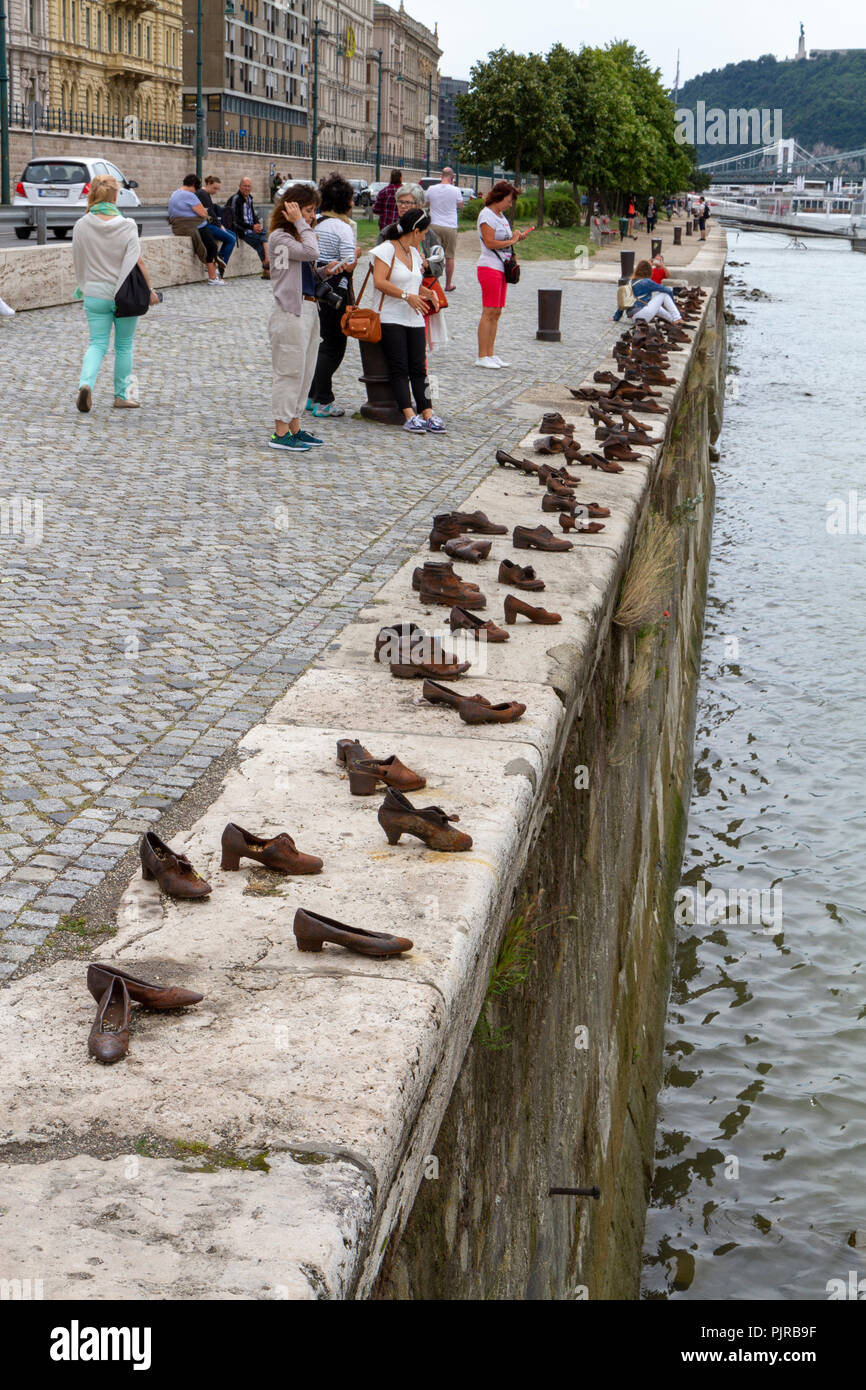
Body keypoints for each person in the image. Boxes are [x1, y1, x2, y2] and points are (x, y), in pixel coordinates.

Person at [71, 174, 158, 412]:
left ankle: (85, 384)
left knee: (96, 343)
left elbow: (78, 260)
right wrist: (150, 291)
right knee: (124, 346)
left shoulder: (82, 224)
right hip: (124, 295)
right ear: (115, 196)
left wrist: (84, 285)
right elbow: (138, 262)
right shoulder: (127, 225)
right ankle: (123, 396)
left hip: (94, 293)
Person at [266, 182, 331, 452]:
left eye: (313, 210)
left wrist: (329, 271)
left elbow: (305, 267)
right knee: (289, 371)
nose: (311, 216)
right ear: (290, 208)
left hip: (308, 308)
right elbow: (311, 252)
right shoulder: (281, 237)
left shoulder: (295, 239)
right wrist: (301, 224)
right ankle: (280, 433)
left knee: (305, 372)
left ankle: (295, 425)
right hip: (290, 311)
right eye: (307, 210)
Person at [369, 207, 444, 433]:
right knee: (399, 366)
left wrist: (426, 292)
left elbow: (410, 282)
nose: (425, 236)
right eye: (423, 232)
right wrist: (405, 296)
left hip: (414, 316)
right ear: (414, 230)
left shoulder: (414, 252)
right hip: (391, 316)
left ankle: (427, 411)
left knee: (419, 367)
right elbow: (379, 281)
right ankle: (408, 414)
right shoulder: (386, 249)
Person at [307, 172, 361, 419]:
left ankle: (310, 394)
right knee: (333, 347)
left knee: (321, 344)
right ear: (346, 202)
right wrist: (357, 254)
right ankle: (323, 400)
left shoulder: (316, 222)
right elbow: (348, 264)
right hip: (336, 291)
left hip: (316, 289)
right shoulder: (343, 227)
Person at [475, 180, 528, 370]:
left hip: (501, 267)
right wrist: (512, 239)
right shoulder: (486, 216)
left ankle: (490, 353)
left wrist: (515, 237)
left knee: (497, 312)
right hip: (489, 267)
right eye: (508, 200)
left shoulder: (501, 216)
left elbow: (505, 240)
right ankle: (482, 355)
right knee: (488, 311)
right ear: (498, 198)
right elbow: (489, 242)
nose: (510, 204)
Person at [168, 173, 223, 284]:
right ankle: (213, 277)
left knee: (210, 242)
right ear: (193, 185)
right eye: (196, 188)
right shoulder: (189, 195)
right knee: (211, 246)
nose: (196, 191)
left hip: (178, 226)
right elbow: (203, 213)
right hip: (193, 226)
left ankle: (214, 274)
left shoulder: (175, 193)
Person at [223, 177, 270, 278]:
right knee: (260, 241)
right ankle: (267, 264)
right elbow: (234, 220)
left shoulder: (249, 199)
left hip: (251, 229)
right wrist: (251, 227)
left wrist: (257, 225)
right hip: (242, 231)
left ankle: (267, 268)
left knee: (262, 235)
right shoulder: (236, 199)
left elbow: (253, 215)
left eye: (249, 186)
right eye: (244, 186)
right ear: (239, 187)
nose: (247, 188)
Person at [424, 166, 462, 291]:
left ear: (441, 176)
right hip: (450, 226)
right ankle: (448, 284)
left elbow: (427, 203)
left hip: (434, 225)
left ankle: (435, 282)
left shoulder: (431, 189)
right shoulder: (456, 190)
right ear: (452, 178)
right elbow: (460, 205)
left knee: (434, 254)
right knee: (449, 256)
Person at [613, 258, 682, 323]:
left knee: (656, 306)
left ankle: (673, 320)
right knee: (663, 295)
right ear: (649, 271)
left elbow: (624, 302)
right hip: (642, 315)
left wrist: (616, 318)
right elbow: (667, 290)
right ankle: (677, 318)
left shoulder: (631, 282)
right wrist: (673, 304)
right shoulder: (647, 282)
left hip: (634, 318)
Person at [199, 175, 237, 274]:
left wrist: (220, 225)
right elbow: (210, 214)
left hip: (210, 224)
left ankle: (219, 259)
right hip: (205, 225)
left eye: (218, 189)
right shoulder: (203, 194)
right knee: (231, 239)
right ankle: (220, 266)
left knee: (233, 235)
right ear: (208, 184)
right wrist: (220, 226)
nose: (216, 191)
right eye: (214, 188)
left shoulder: (205, 194)